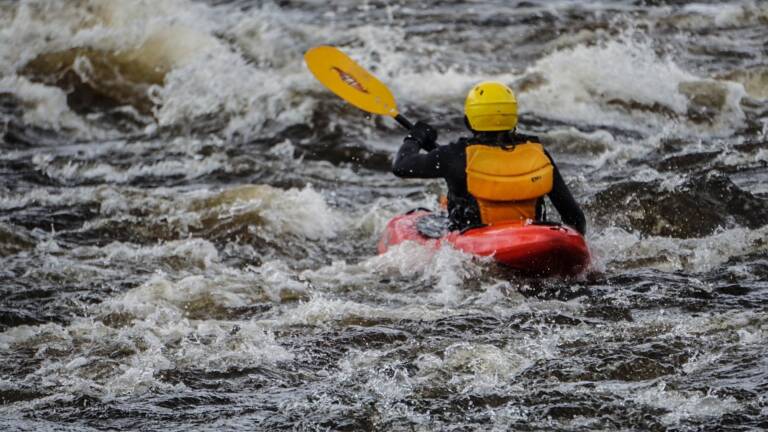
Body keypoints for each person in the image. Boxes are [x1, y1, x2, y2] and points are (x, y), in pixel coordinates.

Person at [391, 81, 586, 235]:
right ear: (513, 117)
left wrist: (414, 138)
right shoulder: (538, 153)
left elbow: (401, 166)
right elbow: (575, 219)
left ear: (468, 120)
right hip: (530, 236)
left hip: (477, 241)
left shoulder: (455, 155)